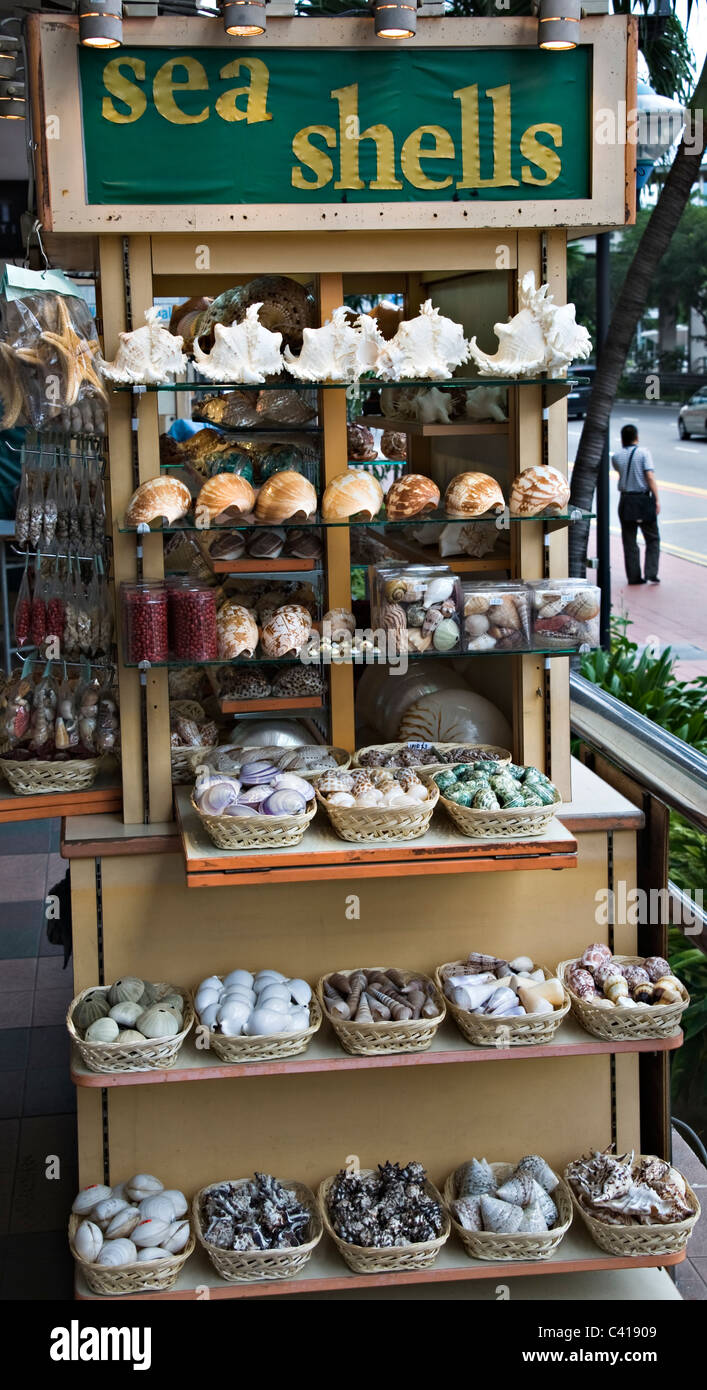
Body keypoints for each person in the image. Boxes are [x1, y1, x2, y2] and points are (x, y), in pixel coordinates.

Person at [611, 423, 661, 585]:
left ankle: (633, 577)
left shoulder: (616, 457)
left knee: (629, 540)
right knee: (652, 538)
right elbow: (650, 477)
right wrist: (657, 499)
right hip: (643, 500)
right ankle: (651, 573)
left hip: (626, 501)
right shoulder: (644, 453)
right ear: (636, 437)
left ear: (622, 439)